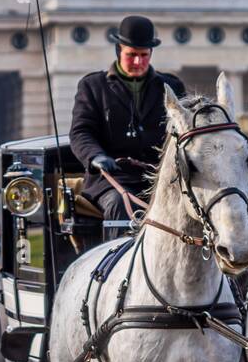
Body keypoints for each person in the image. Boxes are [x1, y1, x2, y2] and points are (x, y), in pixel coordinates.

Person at [68, 15, 187, 223]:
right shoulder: (93, 87)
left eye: (144, 55)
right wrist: (96, 157)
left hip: (162, 178)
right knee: (119, 204)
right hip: (112, 180)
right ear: (118, 51)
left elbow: (186, 130)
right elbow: (81, 132)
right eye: (131, 55)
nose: (138, 62)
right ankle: (118, 255)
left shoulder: (171, 87)